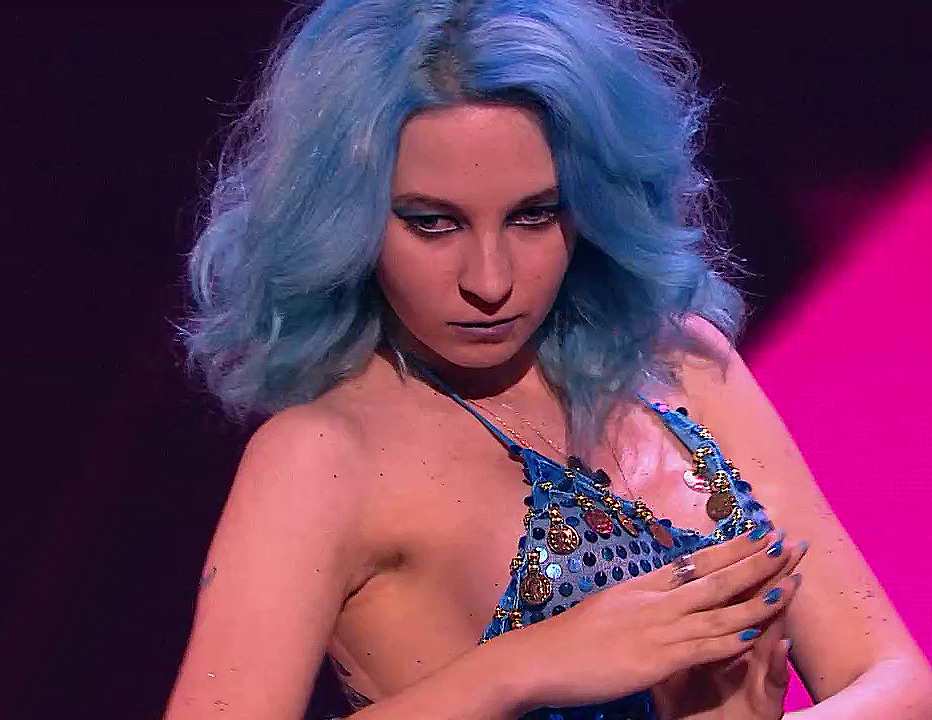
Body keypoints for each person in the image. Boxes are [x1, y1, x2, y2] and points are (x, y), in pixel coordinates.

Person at [165, 1, 932, 718]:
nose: (489, 281)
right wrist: (519, 669)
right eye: (433, 223)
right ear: (345, 219)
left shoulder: (686, 363)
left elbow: (899, 685)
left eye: (534, 216)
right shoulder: (324, 458)